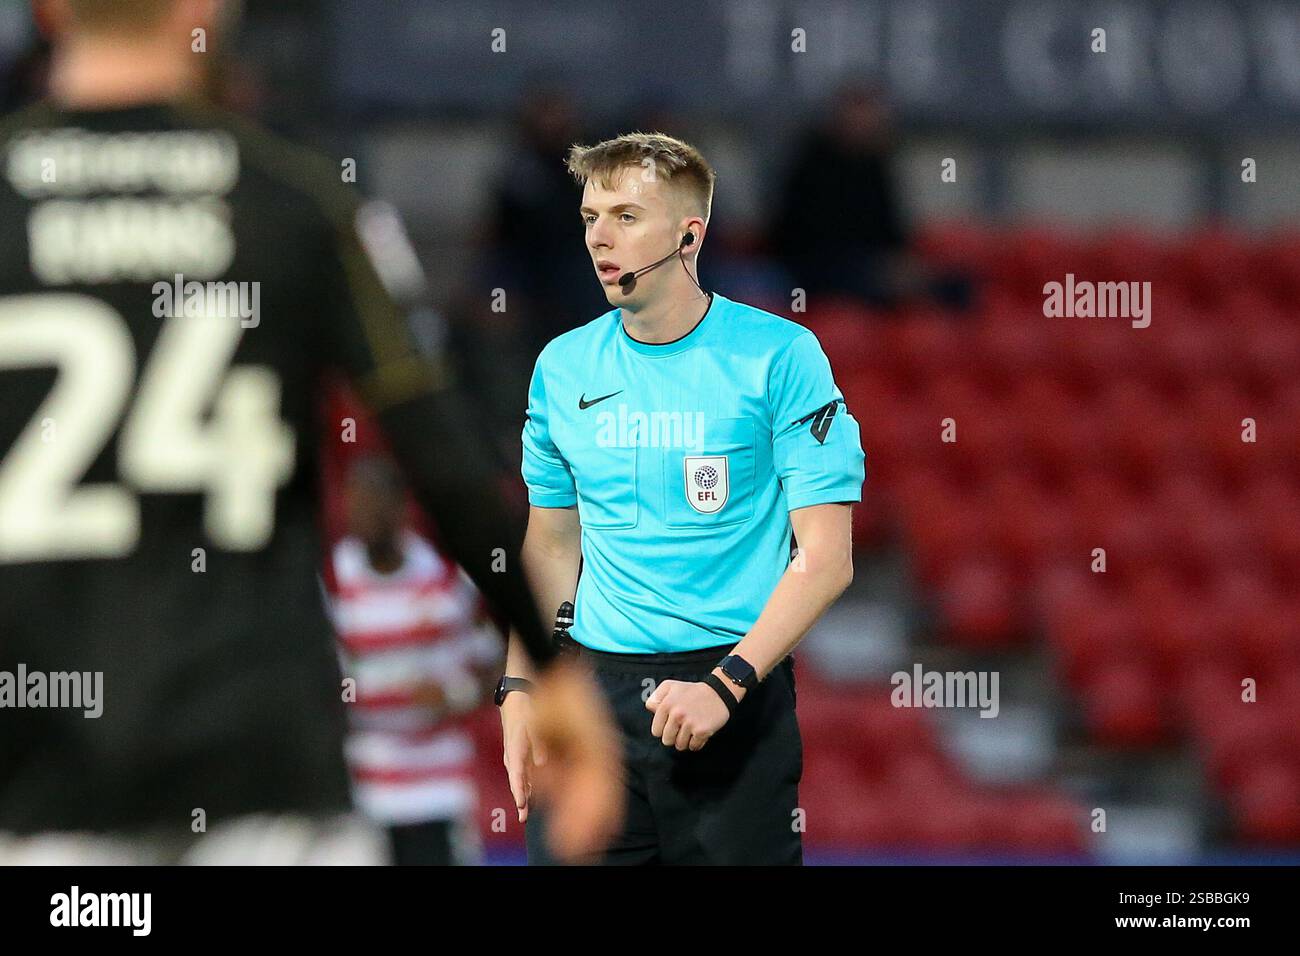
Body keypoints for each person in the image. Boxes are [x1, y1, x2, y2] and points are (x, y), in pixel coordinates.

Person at [0, 0, 619, 864]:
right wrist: (552, 669)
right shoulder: (295, 197)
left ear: (49, 8)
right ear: (208, 8)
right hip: (260, 772)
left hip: (37, 786)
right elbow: (443, 463)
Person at [497, 131, 866, 864]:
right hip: (596, 703)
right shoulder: (562, 364)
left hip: (731, 698)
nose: (600, 237)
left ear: (689, 234)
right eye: (590, 218)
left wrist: (725, 686)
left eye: (627, 217)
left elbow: (826, 559)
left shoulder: (780, 357)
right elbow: (549, 544)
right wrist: (520, 687)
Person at [328, 457, 500, 866]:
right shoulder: (332, 582)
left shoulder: (445, 579)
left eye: (374, 502)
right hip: (362, 787)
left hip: (438, 783)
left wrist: (455, 694)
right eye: (356, 503)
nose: (364, 513)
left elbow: (495, 664)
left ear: (400, 508)